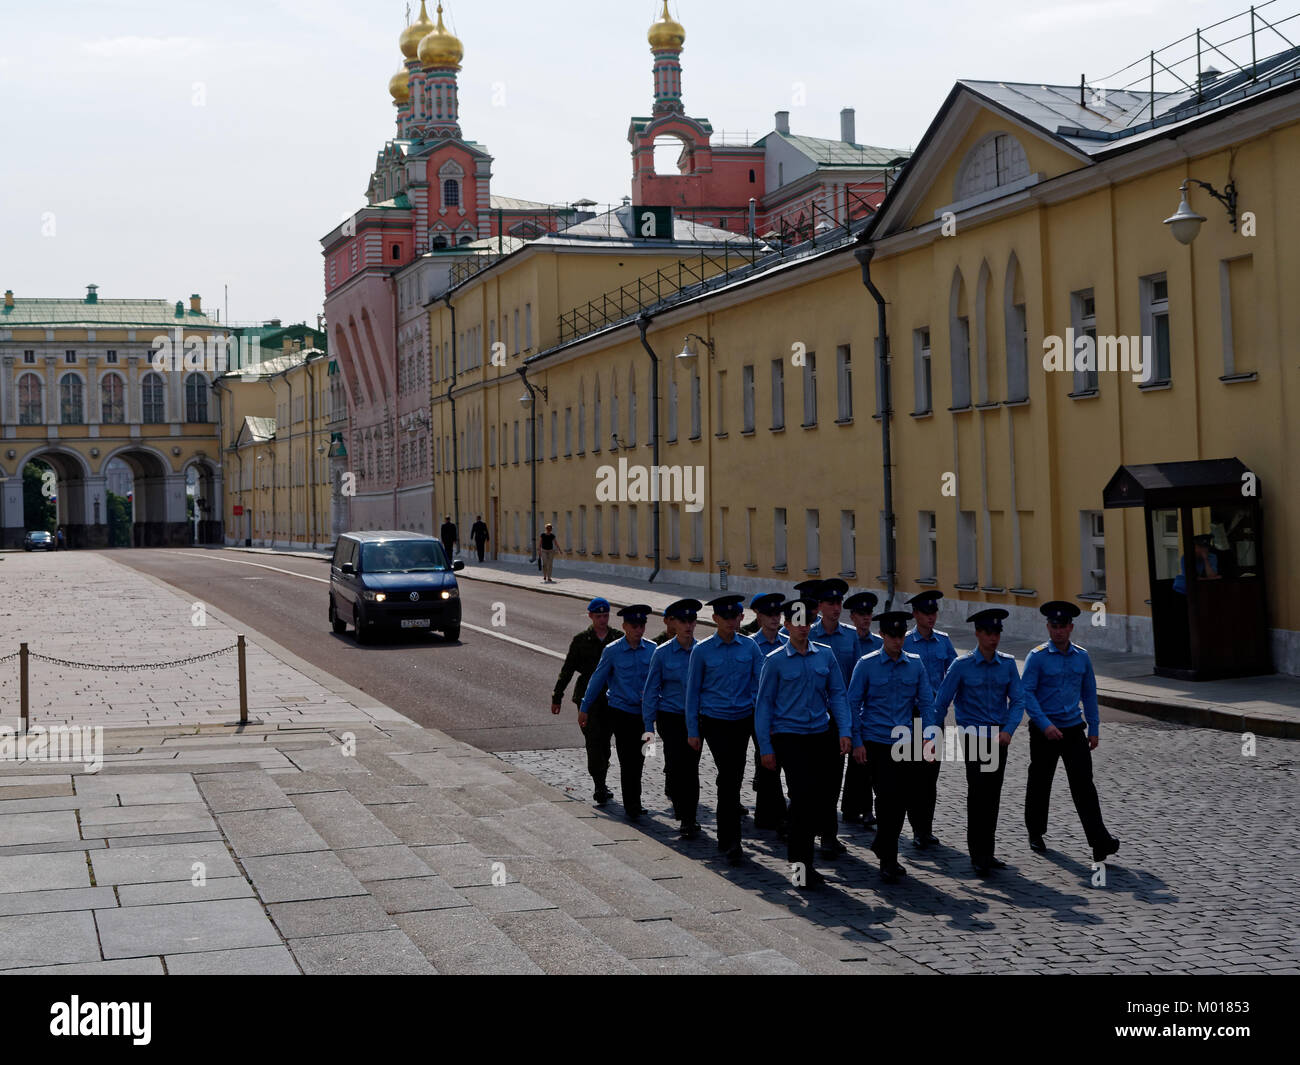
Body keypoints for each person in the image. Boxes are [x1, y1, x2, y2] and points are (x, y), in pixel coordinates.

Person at [755, 597, 852, 892]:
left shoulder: (825, 655)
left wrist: (845, 730)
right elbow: (764, 706)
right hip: (789, 737)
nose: (803, 628)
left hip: (821, 735)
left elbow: (838, 694)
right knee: (801, 801)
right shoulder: (775, 662)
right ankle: (800, 870)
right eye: (797, 622)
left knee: (820, 801)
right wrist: (765, 748)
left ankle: (809, 864)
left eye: (807, 622)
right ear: (787, 625)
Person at [1021, 601, 1120, 863]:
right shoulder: (1038, 656)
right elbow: (1026, 693)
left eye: (1063, 626)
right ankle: (1035, 830)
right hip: (1045, 731)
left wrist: (1095, 727)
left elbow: (1089, 693)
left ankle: (1100, 842)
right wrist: (1044, 724)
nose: (1058, 631)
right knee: (1041, 783)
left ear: (1071, 627)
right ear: (1048, 627)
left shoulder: (1082, 656)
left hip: (1073, 729)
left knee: (1084, 786)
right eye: (1054, 626)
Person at [931, 608, 1026, 876]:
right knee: (979, 792)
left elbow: (1018, 699)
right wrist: (931, 732)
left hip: (998, 738)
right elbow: (941, 702)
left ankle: (988, 851)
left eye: (996, 633)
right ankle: (978, 853)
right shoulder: (961, 665)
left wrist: (1008, 729)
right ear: (977, 634)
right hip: (973, 737)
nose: (993, 638)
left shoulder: (1007, 664)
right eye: (988, 633)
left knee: (992, 794)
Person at [847, 611, 933, 884]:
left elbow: (927, 703)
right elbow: (852, 703)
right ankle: (889, 859)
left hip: (905, 742)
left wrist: (929, 737)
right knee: (887, 799)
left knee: (903, 799)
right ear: (882, 635)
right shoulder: (867, 664)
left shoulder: (916, 665)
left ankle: (882, 844)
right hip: (877, 741)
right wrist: (857, 742)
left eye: (901, 635)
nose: (897, 641)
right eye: (892, 636)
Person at [685, 594, 766, 865]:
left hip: (742, 719)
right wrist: (692, 730)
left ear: (742, 618)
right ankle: (732, 840)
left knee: (733, 775)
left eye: (736, 617)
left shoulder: (750, 648)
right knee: (730, 775)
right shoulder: (703, 650)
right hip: (714, 721)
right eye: (726, 618)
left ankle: (726, 833)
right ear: (716, 619)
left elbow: (759, 685)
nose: (732, 622)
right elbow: (692, 693)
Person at [581, 605, 656, 822]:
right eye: (634, 626)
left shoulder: (652, 649)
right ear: (624, 627)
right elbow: (597, 679)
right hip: (621, 713)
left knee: (642, 756)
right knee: (627, 757)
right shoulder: (613, 650)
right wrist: (585, 707)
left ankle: (636, 800)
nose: (638, 630)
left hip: (644, 715)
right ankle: (632, 805)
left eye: (642, 625)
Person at [643, 599, 703, 838]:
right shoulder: (662, 653)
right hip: (671, 717)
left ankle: (688, 819)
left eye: (692, 621)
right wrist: (648, 727)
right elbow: (650, 690)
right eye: (683, 621)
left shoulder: (703, 651)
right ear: (673, 624)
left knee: (691, 768)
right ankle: (681, 807)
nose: (688, 626)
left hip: (696, 719)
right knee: (677, 767)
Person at [903, 591, 958, 850]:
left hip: (934, 719)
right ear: (916, 615)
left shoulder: (943, 642)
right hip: (910, 718)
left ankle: (926, 828)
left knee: (929, 777)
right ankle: (917, 828)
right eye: (926, 613)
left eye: (934, 613)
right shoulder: (905, 642)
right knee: (913, 776)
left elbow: (955, 674)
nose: (931, 618)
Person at [551, 598, 619, 805]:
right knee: (593, 741)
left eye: (605, 616)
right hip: (587, 699)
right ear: (590, 616)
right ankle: (599, 785)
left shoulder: (617, 638)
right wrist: (557, 696)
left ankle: (602, 781)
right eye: (598, 616)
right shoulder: (581, 639)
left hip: (611, 697)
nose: (602, 620)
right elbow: (568, 669)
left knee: (605, 743)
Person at [806, 578, 856, 859]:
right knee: (813, 778)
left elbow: (857, 680)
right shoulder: (809, 635)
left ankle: (828, 835)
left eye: (838, 603)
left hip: (839, 717)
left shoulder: (850, 637)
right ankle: (810, 826)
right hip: (812, 717)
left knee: (833, 778)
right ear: (820, 606)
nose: (836, 608)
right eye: (830, 603)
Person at [744, 592, 790, 835]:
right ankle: (779, 815)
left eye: (778, 613)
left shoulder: (787, 642)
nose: (775, 618)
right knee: (767, 761)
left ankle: (764, 814)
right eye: (769, 614)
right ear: (758, 616)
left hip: (785, 713)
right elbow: (750, 683)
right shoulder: (750, 645)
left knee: (778, 762)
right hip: (759, 713)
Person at [842, 591, 881, 829]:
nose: (866, 618)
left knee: (865, 762)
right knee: (852, 763)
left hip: (871, 710)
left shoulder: (878, 643)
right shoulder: (846, 640)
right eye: (861, 614)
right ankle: (849, 806)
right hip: (846, 707)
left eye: (869, 614)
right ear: (852, 616)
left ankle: (866, 809)